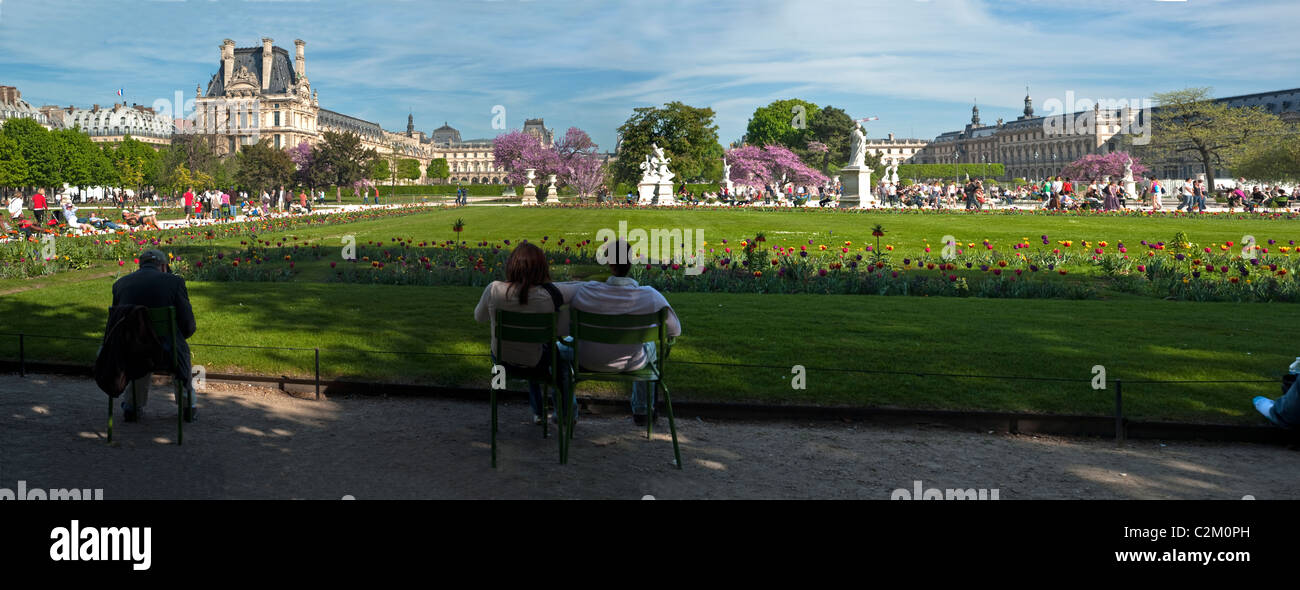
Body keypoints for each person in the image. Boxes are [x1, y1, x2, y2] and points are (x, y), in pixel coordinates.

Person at [569, 239, 682, 425]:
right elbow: (674, 330)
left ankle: (566, 412)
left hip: (586, 359)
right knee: (649, 345)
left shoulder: (588, 292)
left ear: (609, 263)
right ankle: (643, 411)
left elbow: (567, 326)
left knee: (557, 352)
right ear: (630, 262)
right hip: (633, 361)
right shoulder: (650, 296)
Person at [474, 243, 578, 424]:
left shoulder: (494, 290)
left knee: (529, 345)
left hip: (501, 361)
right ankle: (565, 413)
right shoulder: (551, 294)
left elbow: (479, 318)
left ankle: (538, 412)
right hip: (536, 362)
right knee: (550, 355)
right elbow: (582, 287)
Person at [108, 249, 198, 423]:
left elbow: (116, 321)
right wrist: (181, 337)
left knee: (139, 351)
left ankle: (131, 406)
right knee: (181, 352)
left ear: (140, 265)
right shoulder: (175, 282)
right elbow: (188, 323)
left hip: (131, 350)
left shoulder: (120, 284)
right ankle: (188, 406)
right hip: (167, 352)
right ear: (163, 266)